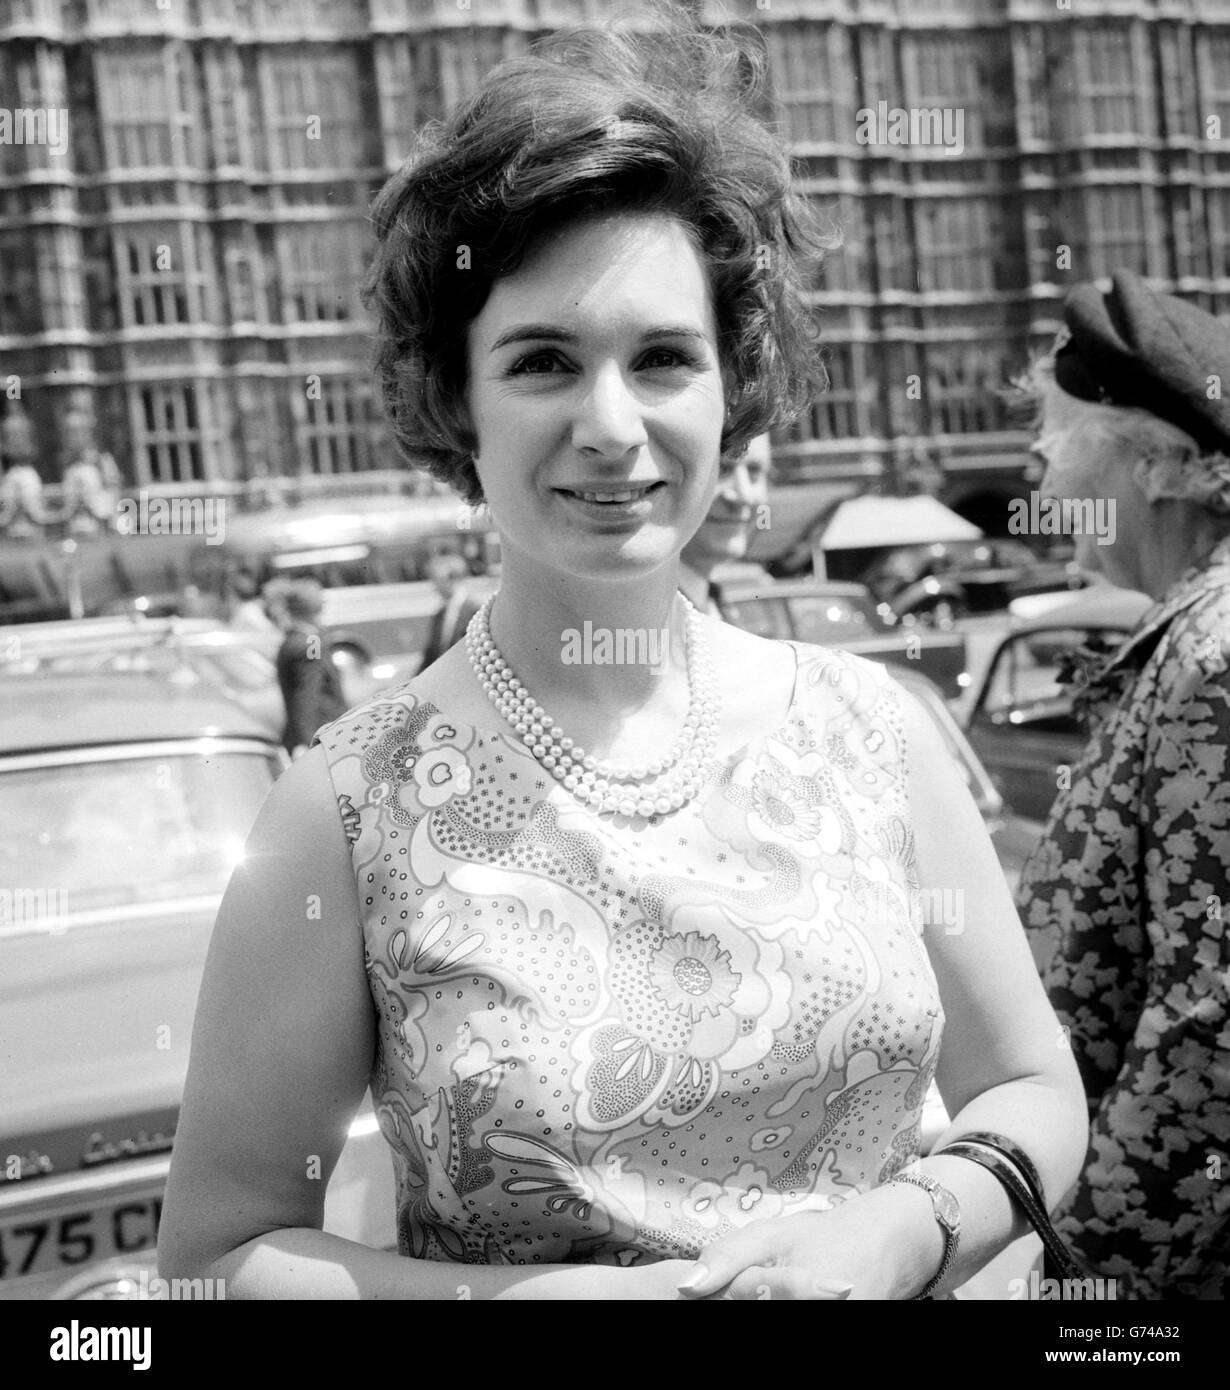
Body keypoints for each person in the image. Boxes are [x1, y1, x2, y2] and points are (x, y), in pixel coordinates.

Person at [159, 7, 1085, 1299]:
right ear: (453, 404)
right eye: (542, 361)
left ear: (729, 390)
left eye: (661, 358)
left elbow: (1029, 1088)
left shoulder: (878, 727)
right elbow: (219, 1253)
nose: (611, 424)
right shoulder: (343, 808)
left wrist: (907, 1227)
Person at [1015, 269, 1230, 1300]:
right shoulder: (1192, 636)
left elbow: (1213, 1025)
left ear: (1159, 467)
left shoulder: (1217, 654)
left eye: (1063, 432)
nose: (1042, 464)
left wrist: (1075, 1272)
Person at [678, 432, 771, 614]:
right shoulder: (641, 620)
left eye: (754, 471)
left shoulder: (713, 604)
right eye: (721, 469)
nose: (744, 496)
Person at [268, 577, 348, 759]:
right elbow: (308, 693)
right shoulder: (310, 642)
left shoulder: (294, 638)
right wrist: (306, 741)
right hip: (323, 737)